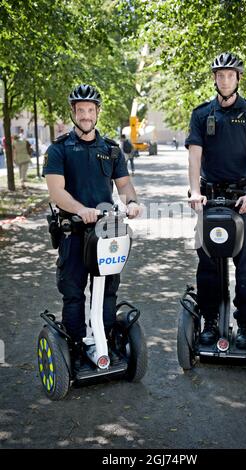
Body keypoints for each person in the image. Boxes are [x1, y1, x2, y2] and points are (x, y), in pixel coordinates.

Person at [43, 84, 142, 364]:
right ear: (73, 113)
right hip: (74, 232)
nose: (85, 115)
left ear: (97, 112)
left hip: (105, 233)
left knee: (108, 290)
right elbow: (56, 191)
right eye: (80, 110)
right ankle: (74, 349)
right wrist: (81, 209)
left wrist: (132, 202)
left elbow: (124, 185)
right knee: (73, 293)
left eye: (90, 110)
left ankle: (106, 343)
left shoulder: (110, 149)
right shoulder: (59, 149)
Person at [186, 52, 246, 349]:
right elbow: (195, 156)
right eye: (219, 75)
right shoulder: (201, 114)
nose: (224, 80)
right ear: (214, 79)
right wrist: (195, 191)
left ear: (238, 78)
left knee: (245, 264)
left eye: (229, 75)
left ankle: (245, 324)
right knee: (207, 263)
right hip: (209, 200)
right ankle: (210, 322)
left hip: (242, 199)